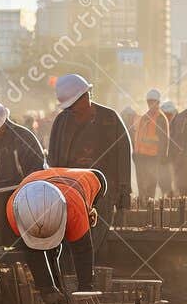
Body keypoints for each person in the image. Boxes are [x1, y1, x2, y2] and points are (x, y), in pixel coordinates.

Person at [47, 73, 132, 247]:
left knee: (96, 240)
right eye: (69, 107)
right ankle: (74, 272)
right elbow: (53, 161)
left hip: (103, 193)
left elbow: (123, 157)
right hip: (71, 192)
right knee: (73, 240)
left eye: (75, 104)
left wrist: (124, 194)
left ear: (86, 96)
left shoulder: (110, 119)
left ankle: (92, 271)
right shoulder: (61, 122)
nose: (74, 110)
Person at [6, 167, 107, 304]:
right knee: (43, 256)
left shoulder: (74, 209)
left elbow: (83, 251)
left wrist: (85, 290)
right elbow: (32, 252)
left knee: (99, 178)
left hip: (83, 181)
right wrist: (46, 288)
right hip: (35, 178)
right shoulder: (14, 211)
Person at [0, 98, 45, 250]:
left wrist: (17, 189)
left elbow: (37, 172)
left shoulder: (24, 138)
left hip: (22, 200)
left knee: (18, 242)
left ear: (4, 122)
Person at [132, 89, 170, 201]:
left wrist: (163, 157)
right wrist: (135, 152)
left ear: (158, 103)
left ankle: (149, 208)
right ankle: (143, 205)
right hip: (140, 157)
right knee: (141, 186)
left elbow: (164, 140)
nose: (151, 104)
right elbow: (138, 137)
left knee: (150, 186)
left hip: (153, 157)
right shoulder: (144, 117)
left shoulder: (161, 118)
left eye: (153, 102)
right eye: (149, 102)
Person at [158, 99, 178, 196]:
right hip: (162, 159)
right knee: (164, 181)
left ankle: (173, 198)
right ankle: (166, 197)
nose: (168, 117)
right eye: (166, 114)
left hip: (174, 159)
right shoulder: (159, 122)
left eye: (170, 114)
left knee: (174, 182)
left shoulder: (178, 123)